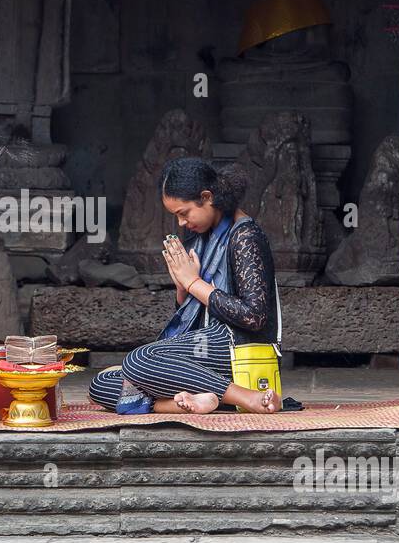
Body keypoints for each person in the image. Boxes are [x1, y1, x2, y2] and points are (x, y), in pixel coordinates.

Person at [88, 157, 282, 414]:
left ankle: (248, 398)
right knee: (101, 383)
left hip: (234, 346)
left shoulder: (245, 235)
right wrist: (182, 288)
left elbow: (254, 316)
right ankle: (189, 402)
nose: (181, 223)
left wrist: (192, 282)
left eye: (183, 213)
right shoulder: (201, 236)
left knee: (138, 361)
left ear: (207, 197)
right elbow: (194, 310)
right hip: (205, 347)